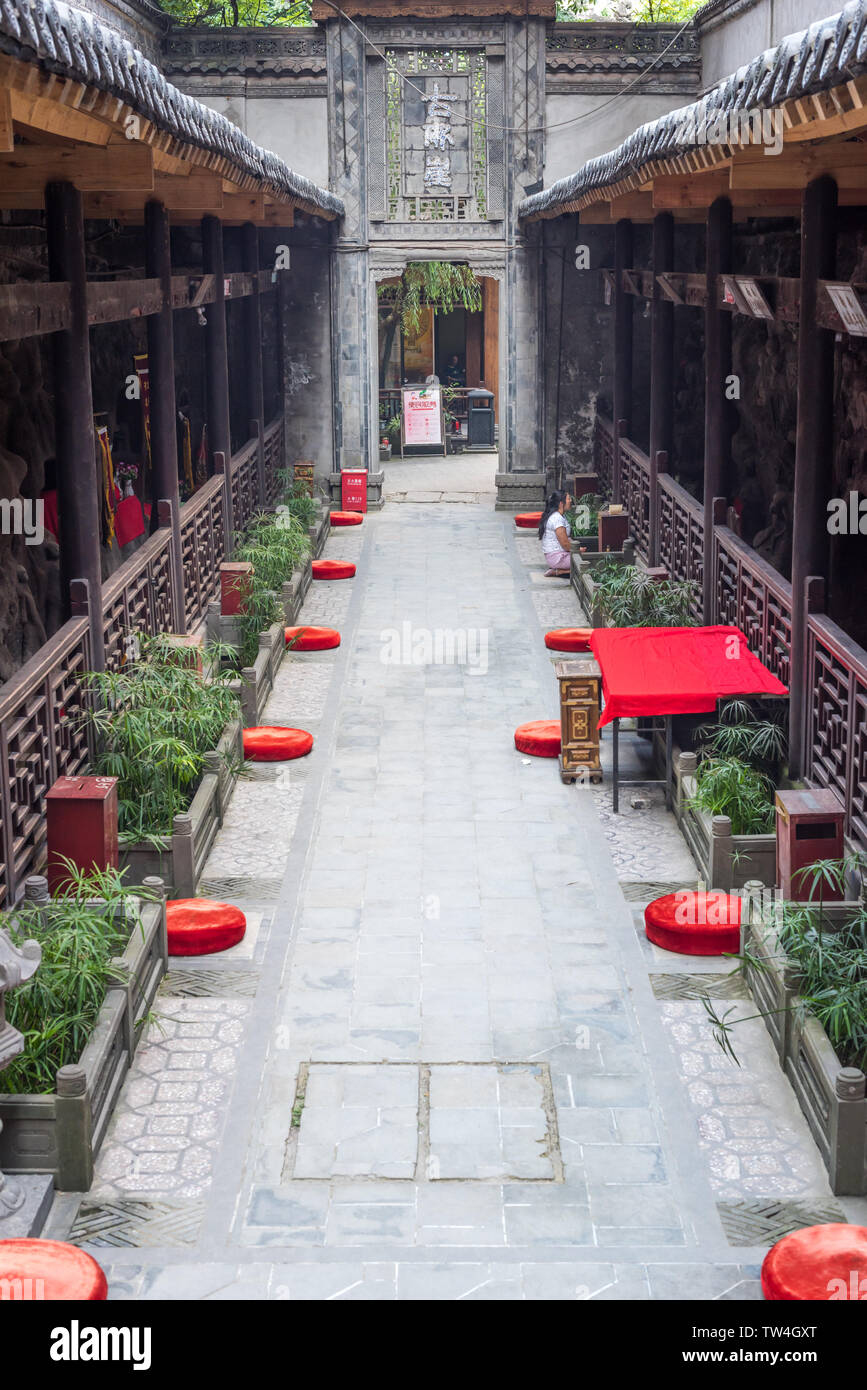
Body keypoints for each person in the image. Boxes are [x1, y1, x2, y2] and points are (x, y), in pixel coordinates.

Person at [538, 489, 573, 578]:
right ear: (561, 503)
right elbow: (565, 544)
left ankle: (560, 570)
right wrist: (578, 550)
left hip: (556, 555)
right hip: (557, 557)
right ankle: (559, 571)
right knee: (586, 562)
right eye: (569, 499)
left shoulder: (560, 516)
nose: (571, 501)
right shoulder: (557, 518)